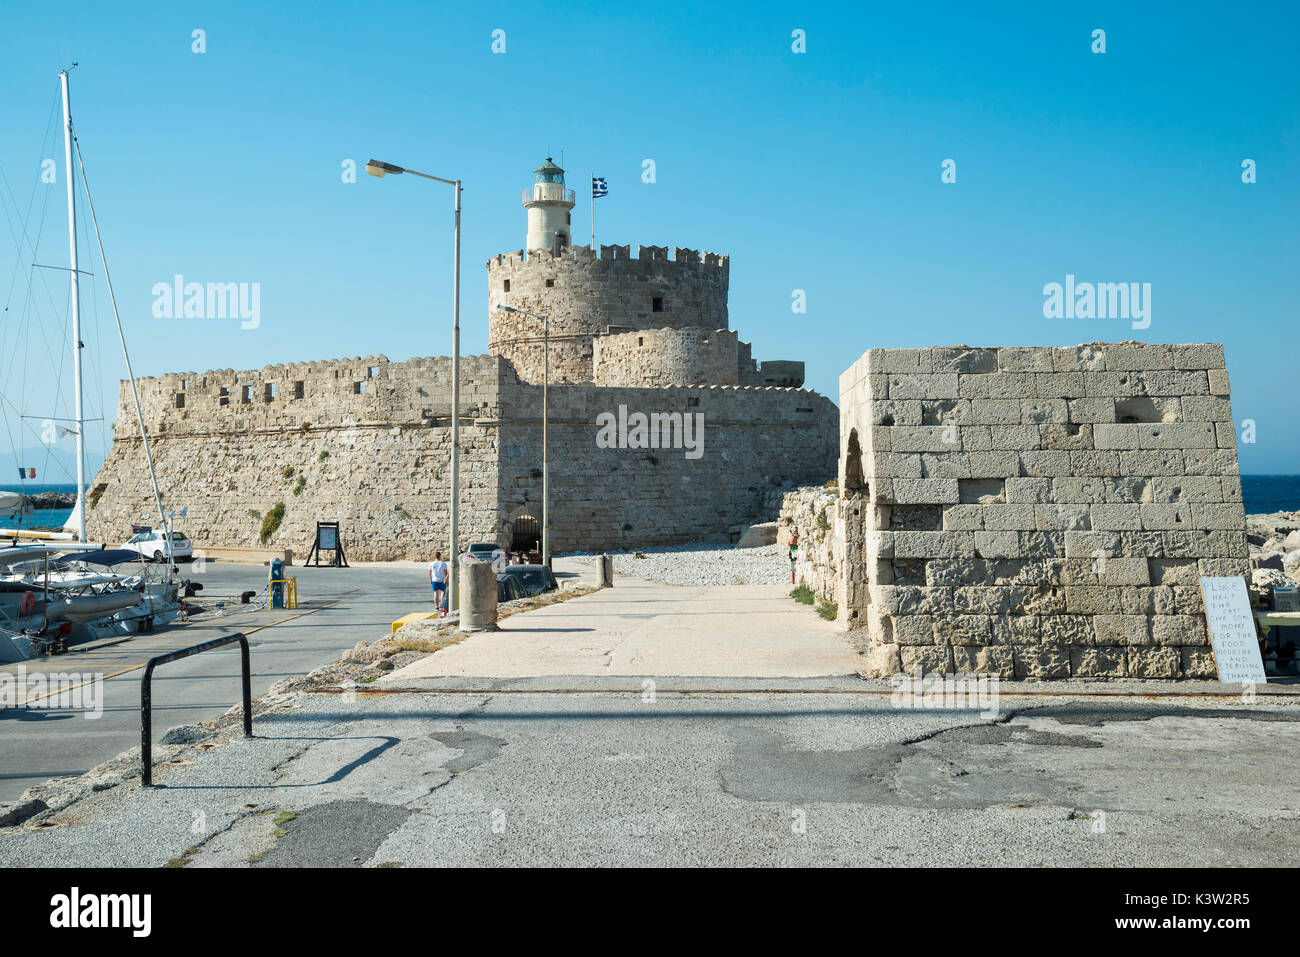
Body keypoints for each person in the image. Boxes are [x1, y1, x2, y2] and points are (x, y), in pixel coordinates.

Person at [429, 551, 450, 615]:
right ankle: (441, 604)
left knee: (435, 593)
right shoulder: (443, 564)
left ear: (434, 556)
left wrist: (431, 579)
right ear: (440, 556)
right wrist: (447, 580)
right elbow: (446, 573)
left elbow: (429, 573)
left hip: (435, 580)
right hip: (442, 580)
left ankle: (436, 606)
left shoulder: (431, 564)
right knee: (443, 592)